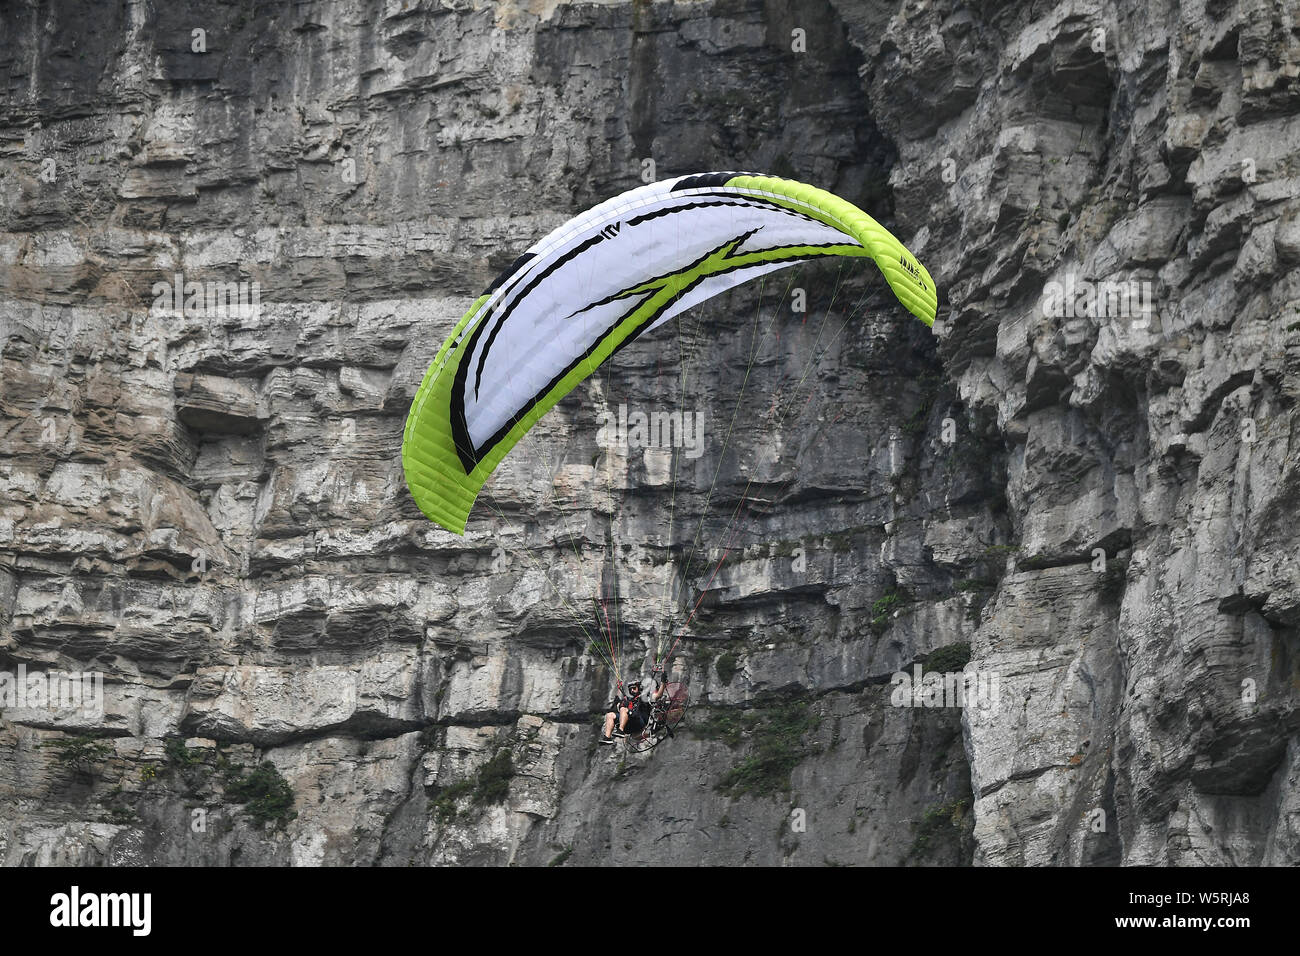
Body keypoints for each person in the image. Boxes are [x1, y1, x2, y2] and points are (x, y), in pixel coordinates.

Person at [599, 671, 667, 745]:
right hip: (628, 725)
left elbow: (658, 695)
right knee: (610, 715)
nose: (632, 690)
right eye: (630, 689)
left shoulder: (644, 698)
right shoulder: (628, 700)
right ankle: (607, 738)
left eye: (634, 688)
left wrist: (663, 683)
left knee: (623, 709)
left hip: (639, 722)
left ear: (639, 688)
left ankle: (620, 730)